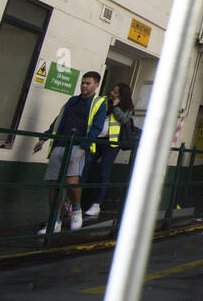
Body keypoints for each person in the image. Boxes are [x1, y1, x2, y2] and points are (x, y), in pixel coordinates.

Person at [34, 71, 107, 233]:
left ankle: (76, 209)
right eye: (83, 83)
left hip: (78, 145)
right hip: (60, 144)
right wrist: (44, 138)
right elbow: (58, 120)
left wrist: (83, 148)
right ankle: (55, 221)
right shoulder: (72, 101)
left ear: (96, 85)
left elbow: (96, 127)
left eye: (88, 83)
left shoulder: (99, 103)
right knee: (54, 184)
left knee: (72, 182)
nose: (84, 86)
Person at [83, 82, 134, 218]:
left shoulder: (127, 107)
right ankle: (75, 202)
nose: (112, 93)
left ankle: (96, 204)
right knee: (85, 167)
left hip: (112, 143)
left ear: (122, 96)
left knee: (104, 172)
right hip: (96, 140)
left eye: (116, 92)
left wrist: (116, 107)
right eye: (112, 90)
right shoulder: (103, 101)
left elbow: (124, 119)